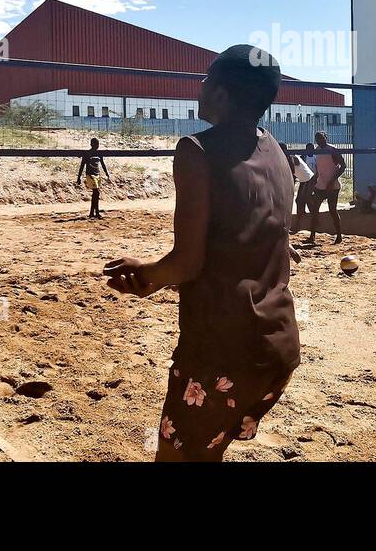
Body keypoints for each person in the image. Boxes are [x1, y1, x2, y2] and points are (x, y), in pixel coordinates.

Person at [102, 45, 300, 462]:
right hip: (276, 350)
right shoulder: (275, 151)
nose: (200, 88)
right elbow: (255, 239)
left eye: (206, 80)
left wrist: (145, 275)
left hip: (221, 352)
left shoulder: (196, 149)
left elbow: (187, 262)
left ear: (223, 94)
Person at [305, 131, 346, 245]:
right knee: (314, 210)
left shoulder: (332, 149)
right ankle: (312, 236)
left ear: (326, 138)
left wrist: (332, 181)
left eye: (321, 138)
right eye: (317, 138)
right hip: (321, 185)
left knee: (332, 210)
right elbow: (320, 169)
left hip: (333, 186)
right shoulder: (317, 151)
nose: (319, 140)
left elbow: (343, 166)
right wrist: (313, 181)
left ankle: (339, 236)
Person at [76, 137, 112, 219]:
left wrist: (106, 173)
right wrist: (79, 177)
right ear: (91, 144)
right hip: (90, 175)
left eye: (98, 144)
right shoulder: (87, 154)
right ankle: (97, 212)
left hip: (97, 175)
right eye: (95, 144)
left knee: (95, 194)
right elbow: (82, 166)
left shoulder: (99, 154)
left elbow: (102, 164)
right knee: (96, 192)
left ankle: (92, 212)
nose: (97, 146)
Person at [288, 148, 314, 233]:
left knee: (305, 200)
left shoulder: (292, 158)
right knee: (299, 201)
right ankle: (299, 224)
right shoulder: (289, 158)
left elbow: (291, 171)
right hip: (304, 180)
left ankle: (313, 220)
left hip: (309, 179)